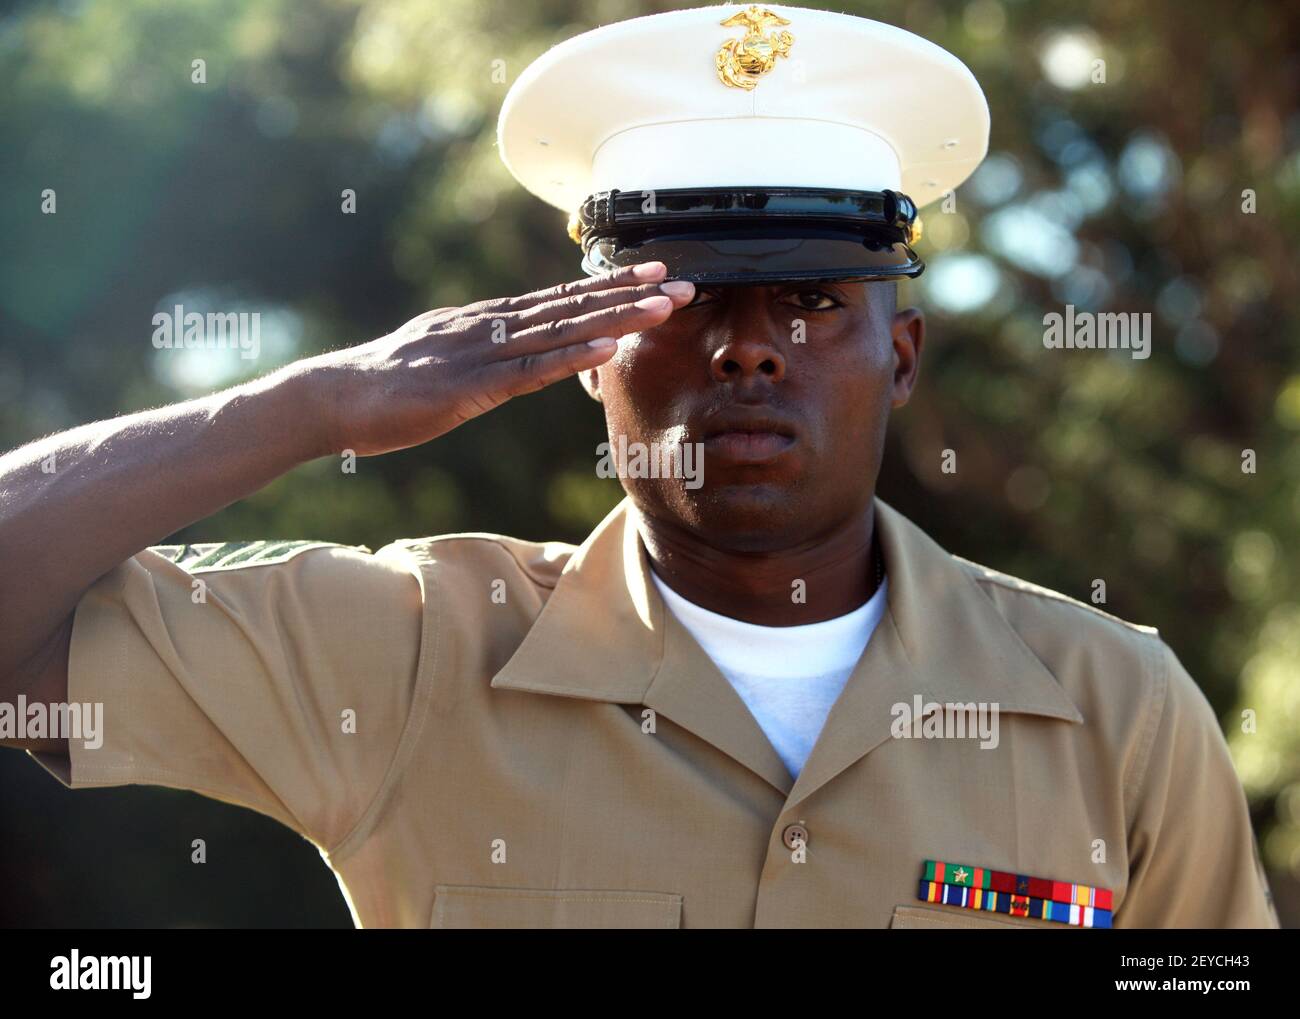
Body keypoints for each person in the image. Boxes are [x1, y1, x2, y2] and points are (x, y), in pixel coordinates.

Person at [0, 5, 1279, 928]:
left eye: (816, 299)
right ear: (588, 359)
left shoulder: (1113, 705)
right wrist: (316, 401)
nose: (748, 351)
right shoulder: (406, 654)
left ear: (902, 357)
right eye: (681, 300)